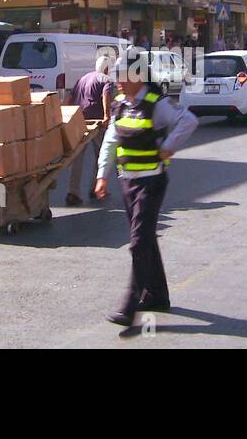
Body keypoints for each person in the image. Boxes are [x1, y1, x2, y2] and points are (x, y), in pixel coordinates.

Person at [95, 49, 199, 326]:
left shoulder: (156, 103)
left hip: (151, 182)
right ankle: (156, 295)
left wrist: (167, 147)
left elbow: (188, 121)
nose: (117, 80)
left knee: (138, 241)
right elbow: (110, 140)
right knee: (146, 239)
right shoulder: (120, 103)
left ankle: (130, 306)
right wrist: (101, 176)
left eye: (123, 74)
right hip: (127, 181)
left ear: (138, 75)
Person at [66, 57, 115, 207]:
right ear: (107, 69)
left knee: (77, 156)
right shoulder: (106, 79)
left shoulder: (83, 78)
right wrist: (107, 115)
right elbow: (105, 96)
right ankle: (95, 188)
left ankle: (73, 192)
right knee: (101, 155)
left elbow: (70, 97)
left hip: (80, 120)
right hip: (96, 121)